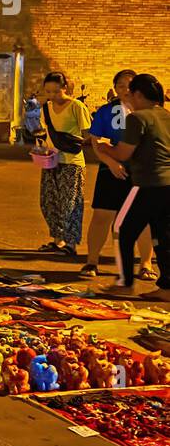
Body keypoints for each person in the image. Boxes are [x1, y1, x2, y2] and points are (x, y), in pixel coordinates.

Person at [81, 69, 154, 279]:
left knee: (143, 218)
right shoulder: (106, 111)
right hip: (111, 169)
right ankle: (91, 262)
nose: (125, 90)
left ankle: (146, 264)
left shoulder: (147, 111)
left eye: (129, 85)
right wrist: (110, 162)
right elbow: (97, 142)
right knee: (102, 215)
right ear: (115, 88)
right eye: (120, 85)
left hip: (141, 172)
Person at [104, 73, 170, 300]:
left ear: (139, 95)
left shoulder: (138, 118)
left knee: (122, 228)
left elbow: (123, 153)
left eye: (131, 92)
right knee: (163, 236)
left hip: (149, 183)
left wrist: (104, 148)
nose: (128, 96)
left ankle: (125, 283)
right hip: (168, 185)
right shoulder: (166, 115)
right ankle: (167, 287)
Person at [35, 71, 92, 257]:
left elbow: (88, 133)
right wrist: (41, 147)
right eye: (48, 92)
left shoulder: (77, 106)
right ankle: (57, 239)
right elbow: (44, 133)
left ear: (65, 88)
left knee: (70, 203)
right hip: (51, 160)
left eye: (56, 91)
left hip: (72, 162)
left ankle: (71, 244)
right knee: (48, 202)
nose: (52, 96)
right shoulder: (46, 108)